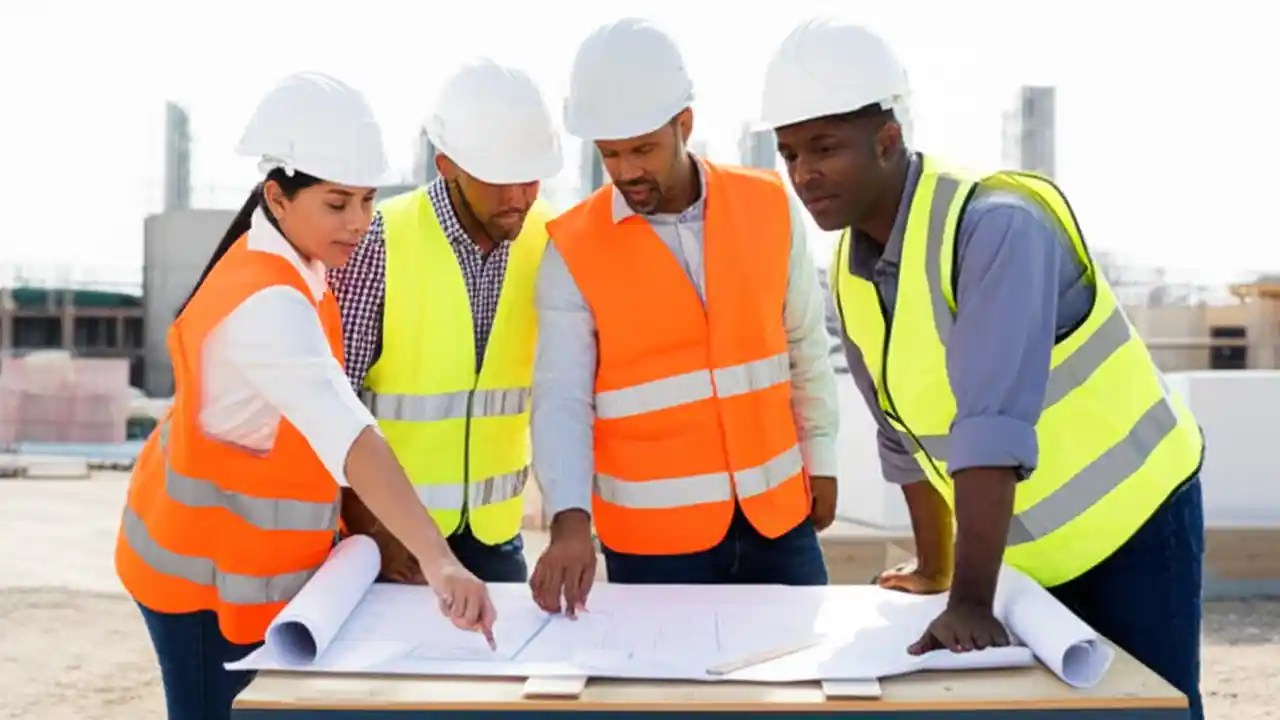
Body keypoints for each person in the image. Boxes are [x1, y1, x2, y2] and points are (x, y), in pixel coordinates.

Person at [759, 17, 1206, 719]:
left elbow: (989, 428)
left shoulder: (993, 224)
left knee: (1148, 708)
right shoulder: (851, 269)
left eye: (825, 147)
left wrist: (970, 600)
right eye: (789, 152)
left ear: (887, 140)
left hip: (1136, 526)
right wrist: (936, 568)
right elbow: (902, 437)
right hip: (1025, 556)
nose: (803, 173)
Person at [113, 72, 497, 720]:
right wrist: (441, 561)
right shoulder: (268, 302)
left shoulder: (296, 268)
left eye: (368, 200)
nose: (359, 223)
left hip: (250, 576)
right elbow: (349, 436)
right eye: (337, 203)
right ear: (278, 197)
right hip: (200, 584)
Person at [529, 17, 841, 616]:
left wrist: (821, 457)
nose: (626, 171)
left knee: (802, 672)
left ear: (685, 125)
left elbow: (804, 346)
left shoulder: (769, 205)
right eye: (610, 153)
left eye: (642, 149)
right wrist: (570, 519)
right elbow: (562, 400)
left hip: (780, 521)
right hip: (653, 545)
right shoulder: (571, 249)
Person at [328, 57, 562, 586]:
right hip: (390, 541)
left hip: (496, 541)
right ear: (447, 164)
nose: (517, 198)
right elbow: (331, 405)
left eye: (529, 179)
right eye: (498, 180)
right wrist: (370, 529)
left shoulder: (551, 239)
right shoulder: (378, 242)